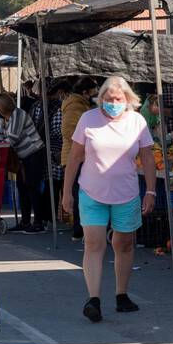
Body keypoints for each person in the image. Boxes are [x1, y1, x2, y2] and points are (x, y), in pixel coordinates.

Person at [61, 75, 157, 323]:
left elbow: (147, 158)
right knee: (93, 243)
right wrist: (66, 191)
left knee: (124, 243)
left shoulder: (137, 121)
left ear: (127, 100)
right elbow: (75, 157)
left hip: (126, 194)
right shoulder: (88, 119)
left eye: (118, 99)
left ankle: (121, 294)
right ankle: (93, 299)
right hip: (91, 192)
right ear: (100, 98)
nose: (113, 103)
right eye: (108, 98)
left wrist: (151, 190)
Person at [0, 93, 47, 233]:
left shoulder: (18, 114)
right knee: (22, 188)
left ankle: (39, 222)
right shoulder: (4, 118)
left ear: (2, 107)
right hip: (22, 156)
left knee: (32, 187)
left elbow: (12, 138)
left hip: (34, 153)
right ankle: (25, 221)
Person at [60, 76, 98, 240]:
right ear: (85, 92)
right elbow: (68, 130)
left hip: (82, 155)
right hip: (74, 155)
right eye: (93, 91)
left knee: (83, 193)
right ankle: (79, 230)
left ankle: (82, 228)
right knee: (79, 193)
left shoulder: (82, 105)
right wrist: (87, 137)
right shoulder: (75, 106)